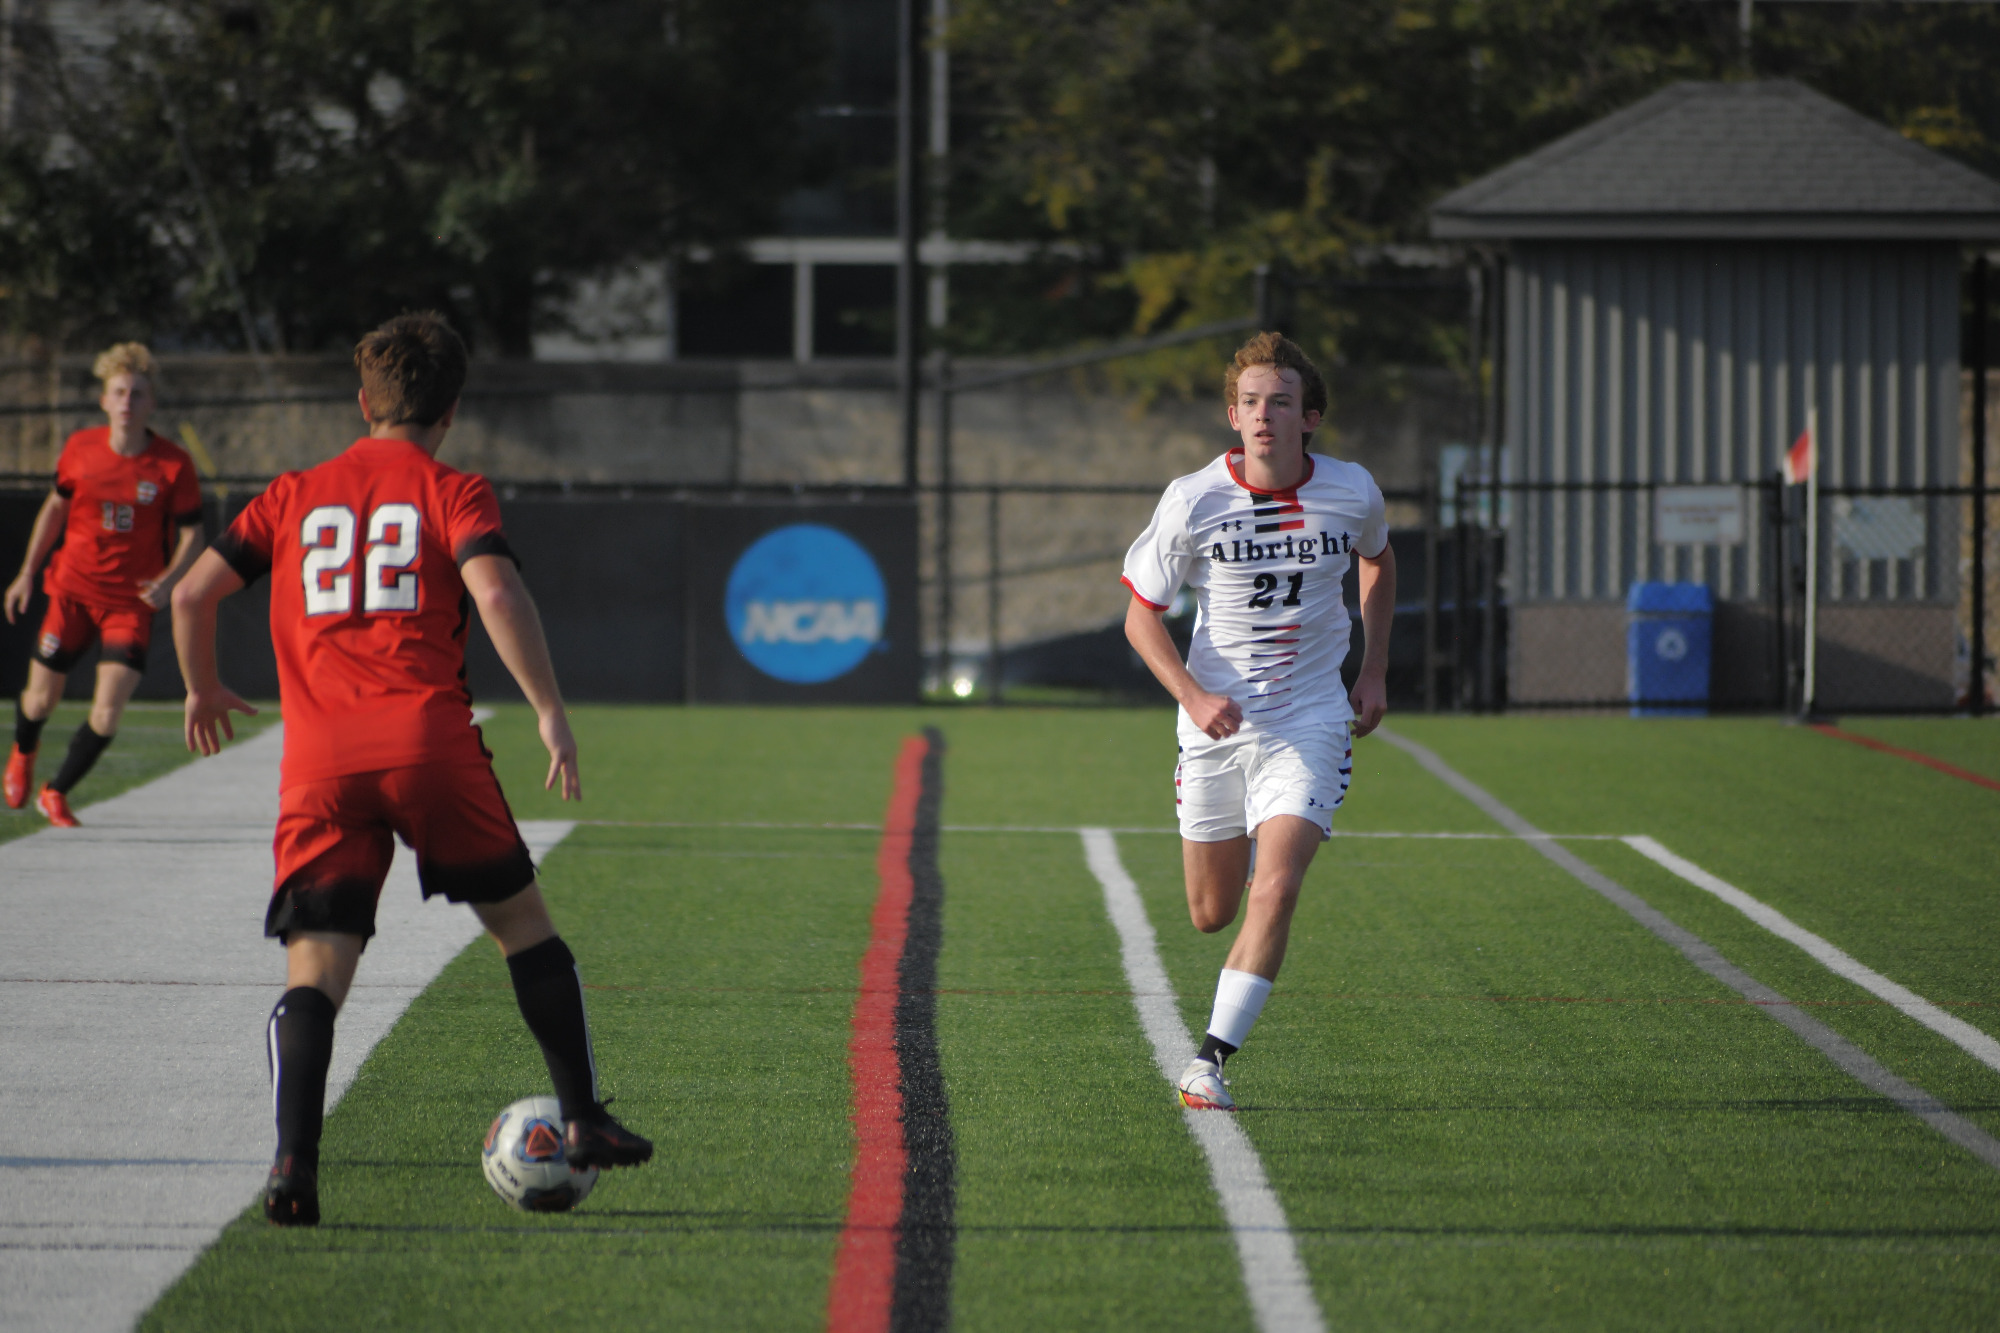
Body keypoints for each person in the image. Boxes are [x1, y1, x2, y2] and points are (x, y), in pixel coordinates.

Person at [172, 312, 651, 1227]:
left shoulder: (292, 492)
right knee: (523, 927)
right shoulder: (452, 488)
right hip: (428, 745)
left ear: (364, 402)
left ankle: (293, 1162)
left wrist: (202, 687)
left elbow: (192, 592)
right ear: (452, 409)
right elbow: (495, 588)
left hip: (321, 763)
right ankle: (583, 1116)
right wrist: (549, 708)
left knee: (315, 969)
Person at [1121, 331, 1394, 1111]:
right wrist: (1193, 697)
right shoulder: (1194, 499)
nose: (1264, 415)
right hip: (1215, 726)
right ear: (1232, 416)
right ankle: (1250, 835)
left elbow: (1378, 557)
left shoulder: (1351, 490)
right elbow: (1141, 618)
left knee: (1276, 887)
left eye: (1280, 401)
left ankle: (1209, 1060)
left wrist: (1373, 667)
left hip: (1310, 719)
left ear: (1310, 417)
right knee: (1211, 913)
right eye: (1250, 402)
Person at [3, 343, 205, 825]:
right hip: (71, 592)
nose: (127, 401)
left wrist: (169, 580)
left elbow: (194, 534)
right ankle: (23, 753)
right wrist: (26, 572)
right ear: (103, 400)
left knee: (108, 710)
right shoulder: (81, 449)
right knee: (40, 698)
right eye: (119, 392)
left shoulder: (172, 464)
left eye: (137, 393)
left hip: (128, 604)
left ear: (152, 403)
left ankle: (56, 791)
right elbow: (55, 508)